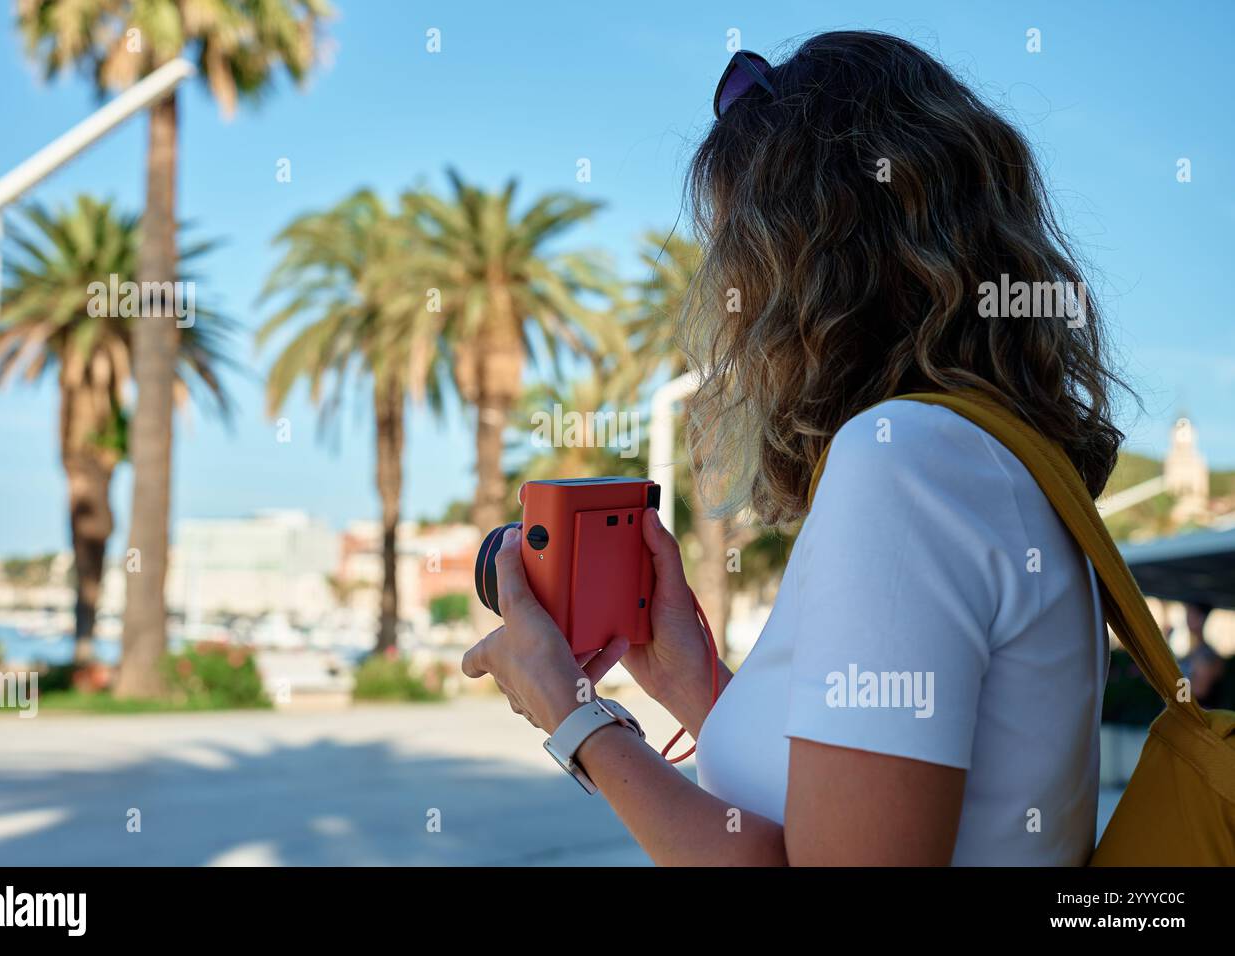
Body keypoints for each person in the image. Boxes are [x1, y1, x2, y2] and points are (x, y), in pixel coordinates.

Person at [462, 31, 1123, 865]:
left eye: (735, 254)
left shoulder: (905, 462)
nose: (731, 304)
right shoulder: (997, 458)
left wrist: (574, 717)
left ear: (804, 269)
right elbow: (846, 799)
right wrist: (696, 686)